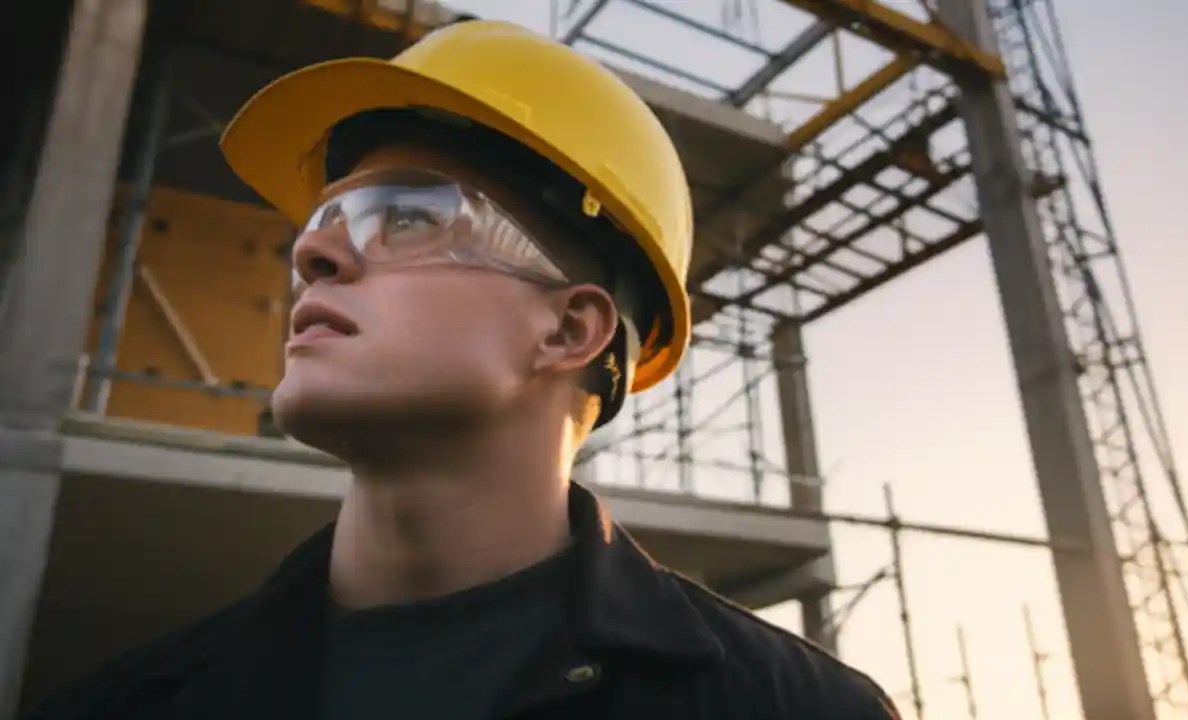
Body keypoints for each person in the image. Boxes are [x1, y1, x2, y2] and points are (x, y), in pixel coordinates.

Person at [28, 19, 899, 720]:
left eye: (403, 215)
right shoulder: (130, 703)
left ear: (570, 328)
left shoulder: (796, 709)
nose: (315, 253)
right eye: (323, 219)